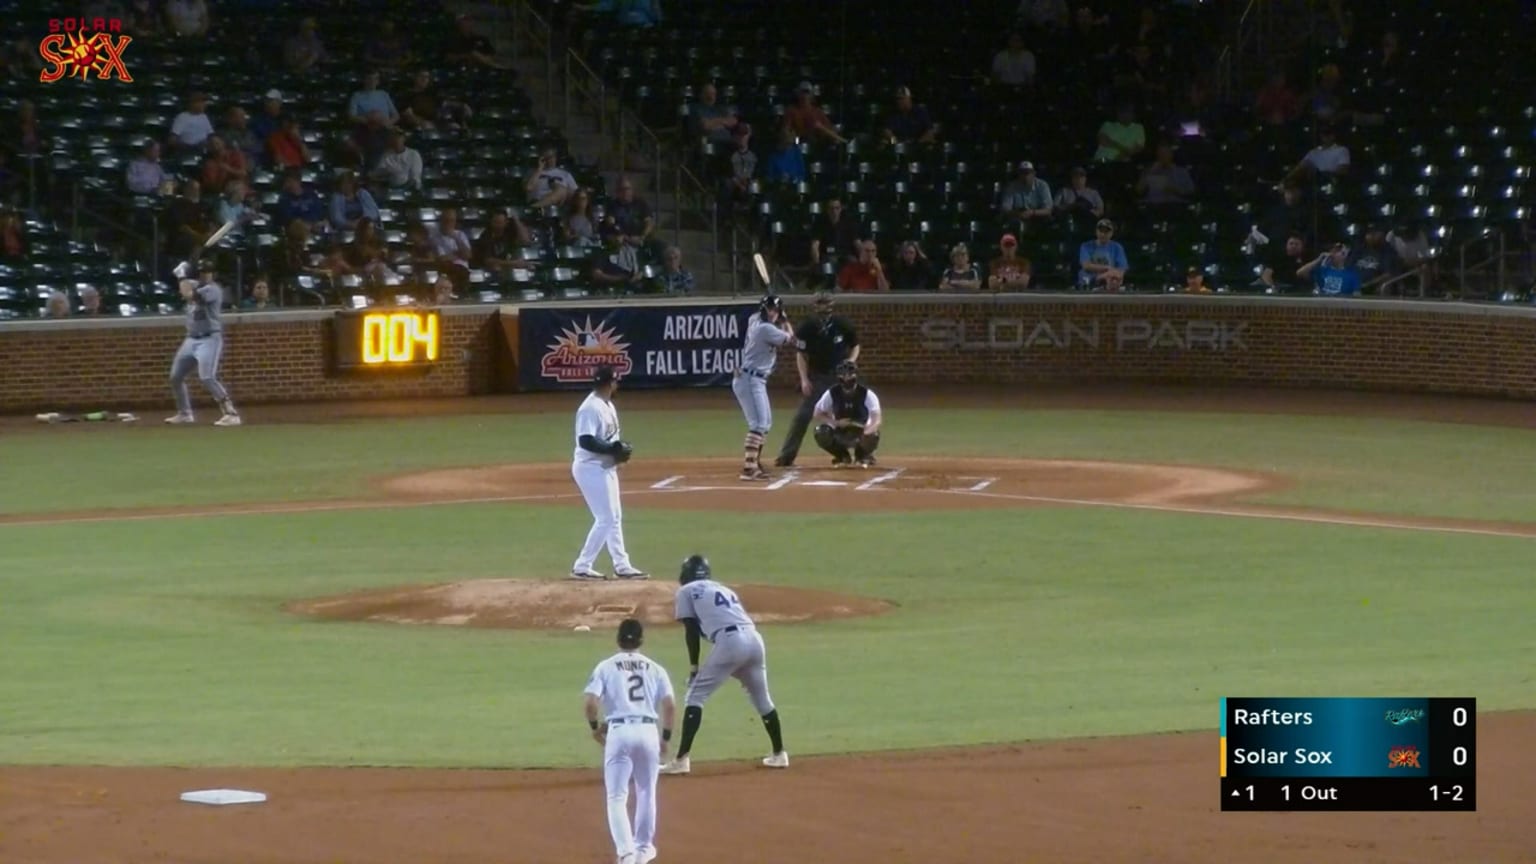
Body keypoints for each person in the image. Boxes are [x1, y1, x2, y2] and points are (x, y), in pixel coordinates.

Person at [660, 555, 788, 776]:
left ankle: (681, 760)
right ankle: (779, 754)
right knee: (762, 699)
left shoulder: (686, 591)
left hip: (731, 643)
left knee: (695, 696)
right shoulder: (723, 588)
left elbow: (691, 630)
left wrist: (693, 667)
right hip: (755, 639)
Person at [582, 618, 676, 864]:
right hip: (648, 731)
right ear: (642, 640)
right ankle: (643, 849)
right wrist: (665, 738)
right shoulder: (656, 668)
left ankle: (626, 853)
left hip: (618, 732)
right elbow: (670, 705)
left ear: (618, 640)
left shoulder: (606, 666)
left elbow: (591, 703)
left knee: (616, 796)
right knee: (646, 791)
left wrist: (595, 728)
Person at [569, 364, 647, 580]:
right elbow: (585, 440)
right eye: (615, 381)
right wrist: (611, 449)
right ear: (610, 383)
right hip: (590, 468)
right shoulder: (589, 408)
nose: (616, 384)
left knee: (615, 517)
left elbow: (611, 439)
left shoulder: (608, 405)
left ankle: (622, 565)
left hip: (605, 467)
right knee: (606, 517)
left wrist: (616, 455)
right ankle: (582, 565)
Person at [773, 291, 860, 468]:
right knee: (803, 416)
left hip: (842, 376)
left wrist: (850, 362)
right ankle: (787, 456)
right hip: (818, 376)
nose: (823, 311)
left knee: (856, 413)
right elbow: (801, 355)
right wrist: (804, 379)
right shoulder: (807, 327)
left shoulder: (842, 324)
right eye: (819, 306)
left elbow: (855, 345)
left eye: (825, 306)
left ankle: (864, 453)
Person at [165, 259, 241, 427]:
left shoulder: (213, 290)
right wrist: (181, 275)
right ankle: (185, 413)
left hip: (209, 339)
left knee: (207, 377)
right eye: (202, 272)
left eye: (208, 272)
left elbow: (188, 295)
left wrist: (181, 275)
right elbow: (184, 287)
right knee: (175, 377)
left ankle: (231, 413)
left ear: (213, 274)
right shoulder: (195, 283)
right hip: (191, 338)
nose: (205, 275)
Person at [733, 295, 794, 481]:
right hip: (750, 378)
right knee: (758, 424)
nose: (773, 313)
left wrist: (773, 308)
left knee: (765, 423)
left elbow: (761, 315)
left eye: (774, 310)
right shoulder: (765, 329)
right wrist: (785, 319)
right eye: (771, 310)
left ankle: (755, 462)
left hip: (754, 379)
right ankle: (749, 468)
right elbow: (790, 339)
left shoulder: (754, 320)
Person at [811, 361, 883, 468]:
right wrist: (836, 423)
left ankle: (862, 456)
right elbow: (817, 413)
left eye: (850, 374)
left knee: (873, 435)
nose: (847, 378)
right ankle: (842, 456)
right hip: (840, 431)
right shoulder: (832, 392)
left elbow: (877, 419)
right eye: (843, 375)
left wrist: (867, 431)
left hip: (861, 430)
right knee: (821, 432)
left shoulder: (867, 394)